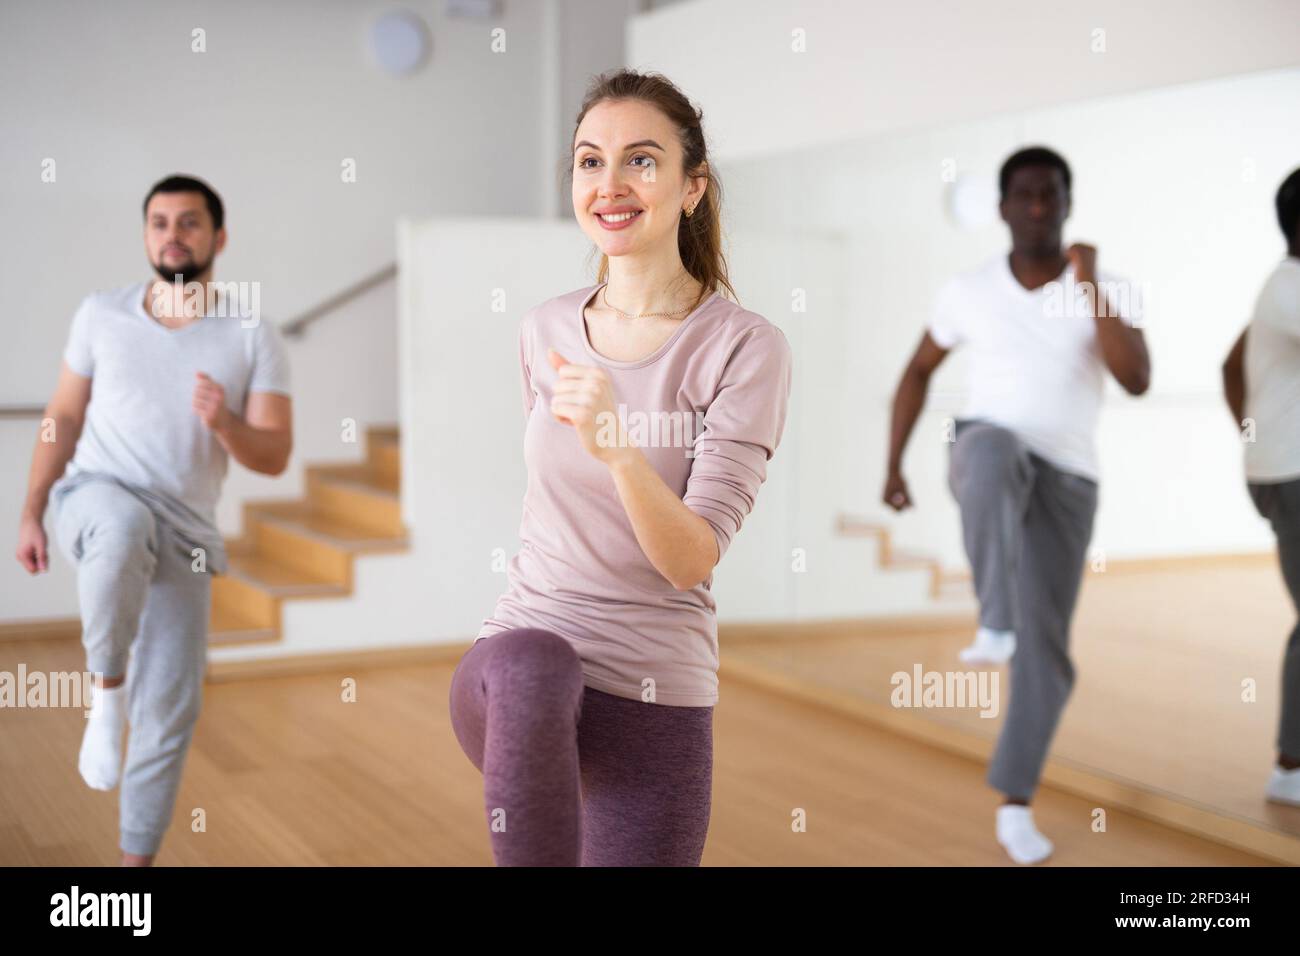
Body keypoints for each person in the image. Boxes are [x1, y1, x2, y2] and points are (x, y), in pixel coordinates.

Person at [448, 70, 792, 866]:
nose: (610, 184)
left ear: (692, 186)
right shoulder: (545, 329)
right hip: (520, 668)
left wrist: (618, 449)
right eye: (589, 161)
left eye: (641, 160)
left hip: (655, 699)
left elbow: (689, 559)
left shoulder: (745, 348)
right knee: (539, 662)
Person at [14, 175, 293, 865]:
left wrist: (224, 420)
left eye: (189, 222)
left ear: (218, 238)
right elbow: (65, 416)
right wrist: (30, 510)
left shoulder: (253, 334)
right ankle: (106, 698)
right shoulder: (100, 314)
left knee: (171, 709)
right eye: (159, 222)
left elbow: (276, 454)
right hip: (95, 494)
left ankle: (134, 870)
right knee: (120, 529)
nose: (173, 234)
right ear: (146, 236)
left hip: (187, 533)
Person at [882, 147, 1150, 863]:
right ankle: (993, 617)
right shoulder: (968, 290)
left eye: (1050, 195)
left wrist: (1088, 282)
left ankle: (1015, 802)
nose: (1038, 207)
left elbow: (1137, 378)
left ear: (1068, 203)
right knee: (992, 449)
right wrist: (893, 464)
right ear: (1002, 207)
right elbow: (916, 369)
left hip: (1067, 481)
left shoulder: (1106, 285)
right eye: (1024, 195)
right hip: (988, 456)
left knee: (1049, 656)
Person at [1221, 166, 1300, 807]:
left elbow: (1229, 364)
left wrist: (1255, 435)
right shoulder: (1290, 288)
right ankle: (1290, 768)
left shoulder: (1278, 289)